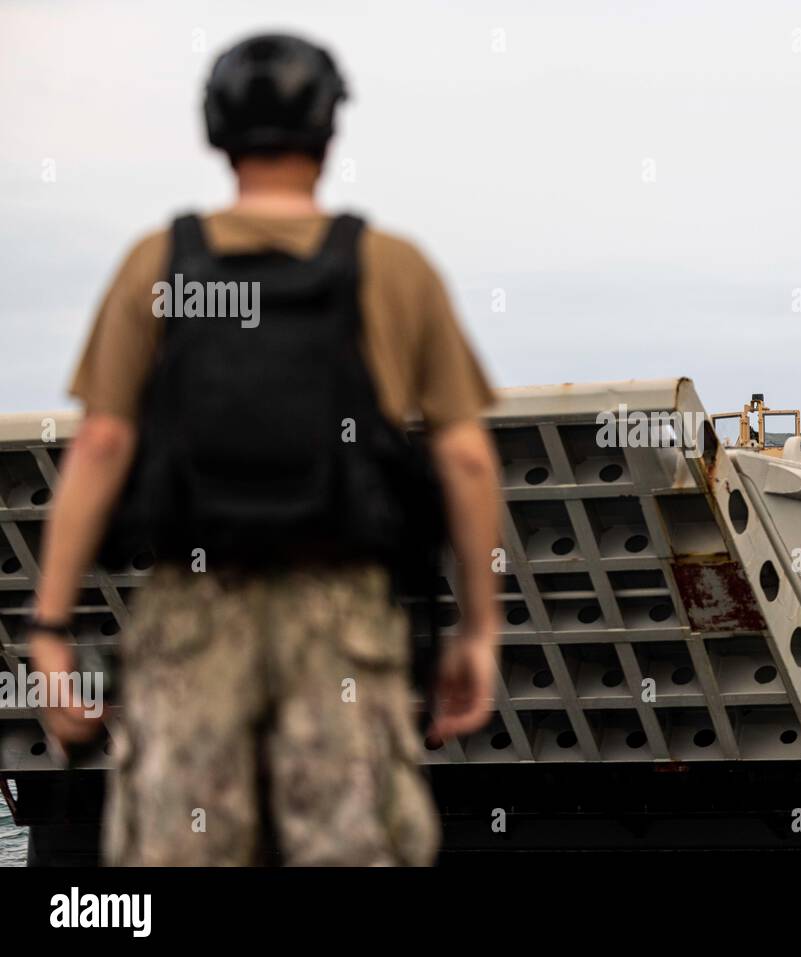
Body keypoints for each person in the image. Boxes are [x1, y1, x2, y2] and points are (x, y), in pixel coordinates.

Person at [25, 34, 502, 865]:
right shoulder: (393, 268)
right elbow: (465, 459)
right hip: (342, 619)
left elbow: (102, 442)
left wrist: (52, 626)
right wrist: (479, 629)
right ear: (329, 129)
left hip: (191, 618)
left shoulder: (156, 264)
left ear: (216, 129)